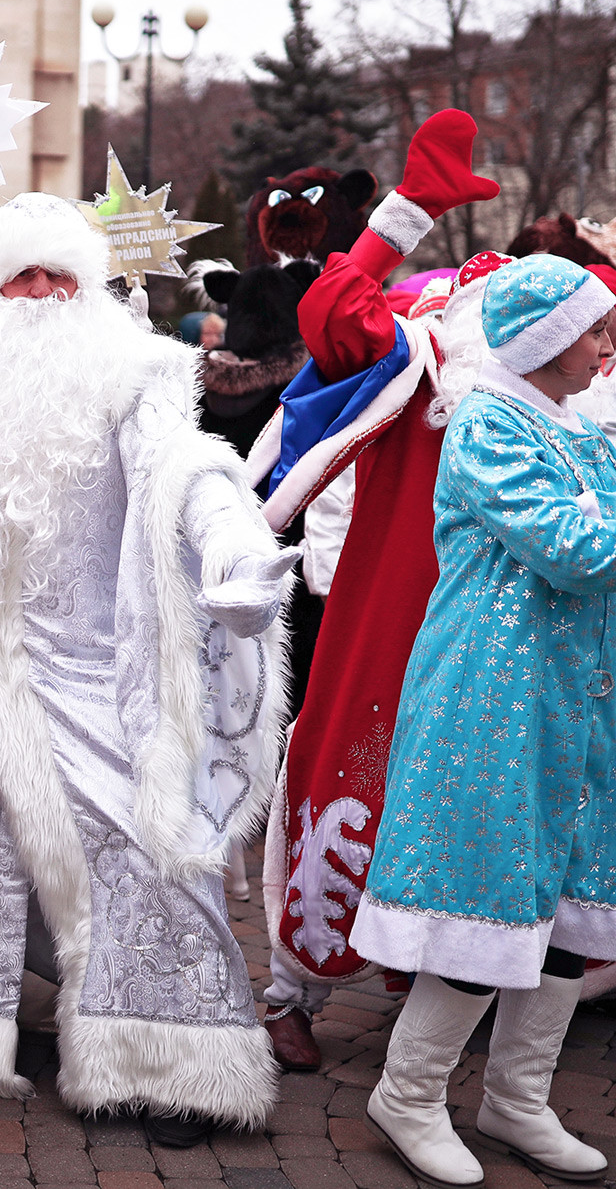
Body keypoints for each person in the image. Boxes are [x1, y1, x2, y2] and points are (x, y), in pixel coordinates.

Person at [0, 191, 300, 1146]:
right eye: (24, 274)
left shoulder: (135, 371)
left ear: (90, 286)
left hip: (94, 659)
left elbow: (187, 467)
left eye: (63, 273)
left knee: (143, 839)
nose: (45, 292)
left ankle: (172, 1060)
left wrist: (231, 544)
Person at [244, 111, 507, 1072]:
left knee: (457, 801)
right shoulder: (417, 363)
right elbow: (330, 313)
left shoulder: (558, 390)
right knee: (341, 772)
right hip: (383, 615)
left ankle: (431, 979)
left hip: (493, 637)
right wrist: (412, 210)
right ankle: (292, 990)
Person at [352, 253, 616, 1189]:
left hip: (582, 698)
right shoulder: (486, 424)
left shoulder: (585, 433)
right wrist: (597, 512)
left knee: (578, 903)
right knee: (483, 896)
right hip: (491, 697)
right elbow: (579, 550)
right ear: (547, 341)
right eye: (594, 329)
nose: (607, 346)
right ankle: (410, 1094)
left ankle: (517, 1098)